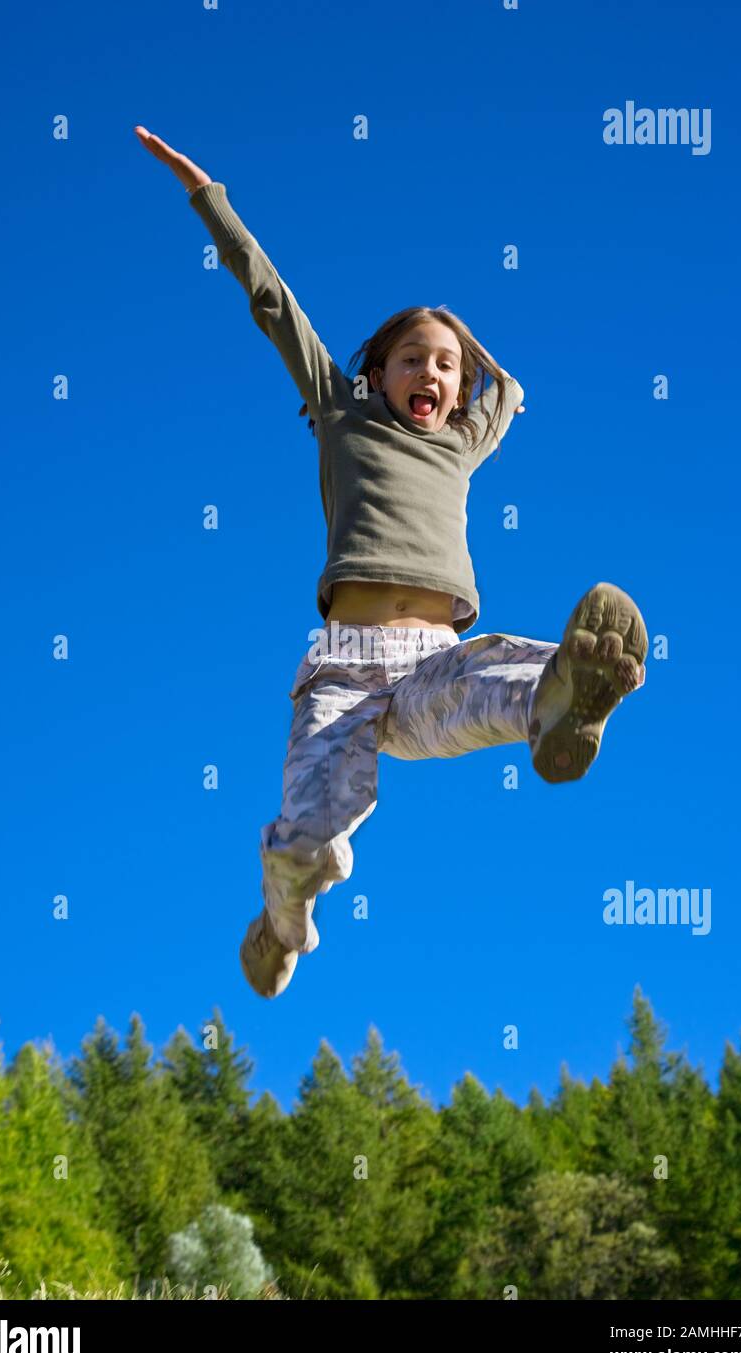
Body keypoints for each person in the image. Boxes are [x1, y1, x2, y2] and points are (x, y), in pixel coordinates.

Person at [135, 126, 648, 1000]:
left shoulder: (458, 445)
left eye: (447, 367)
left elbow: (511, 391)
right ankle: (281, 923)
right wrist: (207, 196)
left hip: (429, 662)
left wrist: (472, 347)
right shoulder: (342, 412)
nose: (432, 373)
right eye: (413, 357)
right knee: (309, 835)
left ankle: (565, 699)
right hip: (342, 669)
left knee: (499, 672)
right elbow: (271, 301)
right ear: (374, 371)